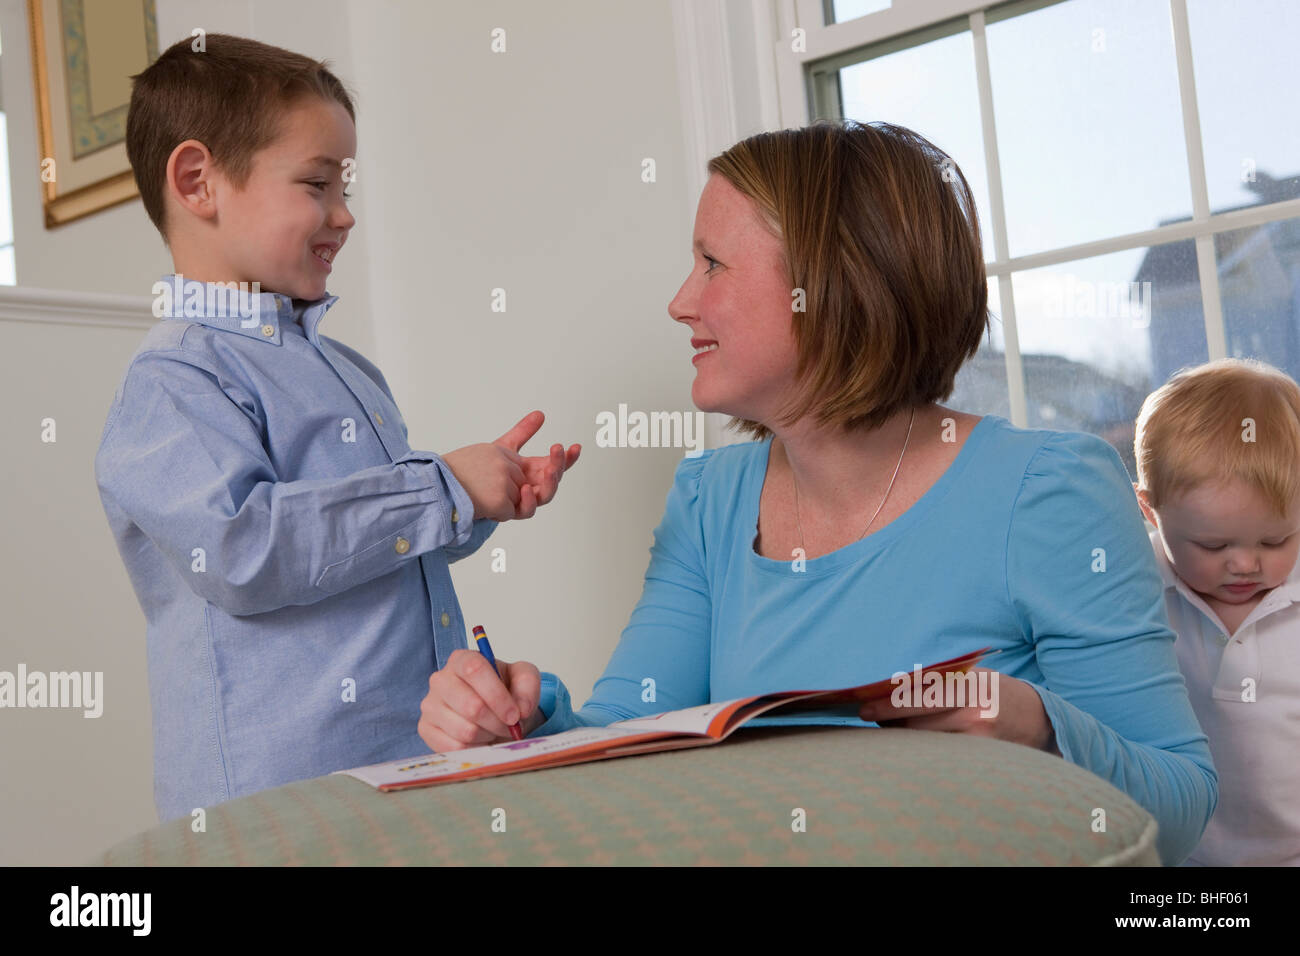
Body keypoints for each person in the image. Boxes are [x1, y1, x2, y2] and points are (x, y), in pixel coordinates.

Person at [417, 120, 1216, 865]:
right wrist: (521, 719)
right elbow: (630, 743)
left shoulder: (1049, 490)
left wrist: (1037, 728)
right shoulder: (709, 499)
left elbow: (1178, 811)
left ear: (833, 284)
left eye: (713, 264)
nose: (680, 302)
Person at [94, 34, 580, 822]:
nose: (345, 214)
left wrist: (476, 502)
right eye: (317, 183)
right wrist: (442, 491)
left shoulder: (349, 369)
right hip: (273, 807)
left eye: (344, 185)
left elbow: (373, 541)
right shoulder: (174, 381)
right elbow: (245, 552)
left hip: (399, 771)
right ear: (198, 181)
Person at [1134, 358, 1300, 865]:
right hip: (1182, 862)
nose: (1245, 564)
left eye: (1276, 539)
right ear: (1150, 512)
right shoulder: (1132, 593)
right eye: (1212, 544)